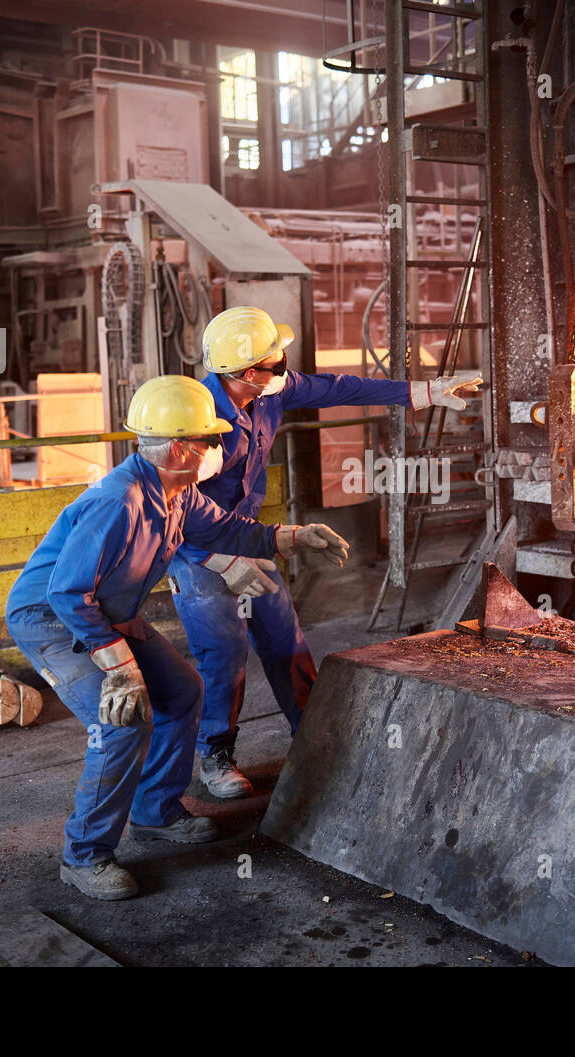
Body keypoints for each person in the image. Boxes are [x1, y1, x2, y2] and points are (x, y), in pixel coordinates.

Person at [5, 374, 349, 900]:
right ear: (180, 448)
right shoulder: (117, 501)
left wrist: (292, 536)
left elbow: (227, 528)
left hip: (107, 612)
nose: (221, 447)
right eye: (211, 440)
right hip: (56, 620)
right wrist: (120, 668)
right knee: (119, 721)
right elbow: (68, 593)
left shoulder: (176, 492)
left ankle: (155, 810)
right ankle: (85, 856)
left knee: (183, 689)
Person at [170, 305, 481, 798]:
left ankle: (310, 735)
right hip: (196, 549)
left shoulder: (270, 390)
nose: (285, 365)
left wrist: (420, 393)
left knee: (283, 639)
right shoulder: (195, 416)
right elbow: (170, 502)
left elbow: (340, 388)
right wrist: (215, 560)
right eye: (276, 358)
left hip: (249, 537)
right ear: (248, 373)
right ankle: (216, 754)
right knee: (223, 653)